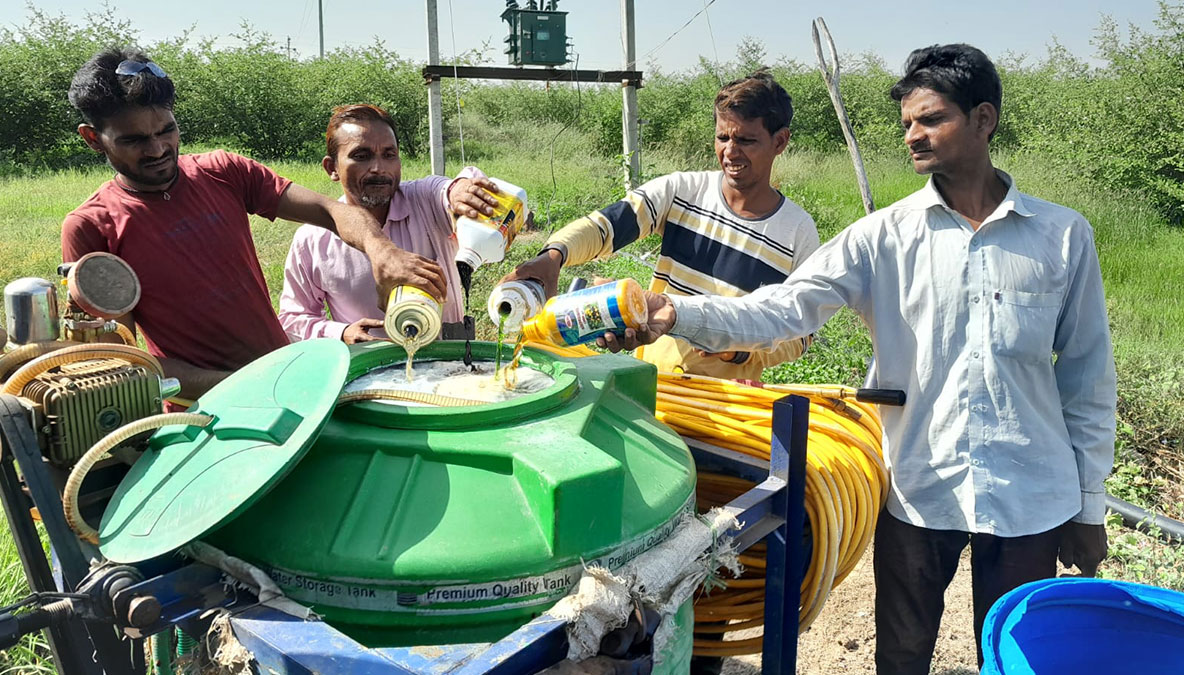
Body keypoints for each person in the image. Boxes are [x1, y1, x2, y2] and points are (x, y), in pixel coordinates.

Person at [597, 44, 1115, 674]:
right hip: (919, 485)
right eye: (907, 123)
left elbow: (1087, 378)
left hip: (1032, 493)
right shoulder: (883, 237)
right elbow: (783, 309)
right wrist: (674, 313)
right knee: (901, 654)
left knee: (1015, 658)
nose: (913, 135)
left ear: (984, 119)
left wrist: (1089, 506)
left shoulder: (1062, 236)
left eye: (931, 119)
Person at [60, 48, 447, 400]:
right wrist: (245, 384)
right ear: (93, 138)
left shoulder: (223, 172)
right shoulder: (91, 227)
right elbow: (122, 361)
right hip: (203, 407)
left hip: (285, 381)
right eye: (134, 140)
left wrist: (382, 252)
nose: (158, 149)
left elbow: (332, 211)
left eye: (166, 130)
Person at [503, 70, 819, 381]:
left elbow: (801, 333)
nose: (730, 152)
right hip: (653, 382)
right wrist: (555, 255)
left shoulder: (797, 232)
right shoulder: (682, 192)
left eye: (746, 140)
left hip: (726, 399)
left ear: (780, 141)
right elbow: (609, 226)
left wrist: (736, 350)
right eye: (722, 137)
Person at [277, 104, 501, 344]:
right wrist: (341, 333)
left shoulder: (425, 202)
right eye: (361, 156)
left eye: (389, 155)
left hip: (448, 358)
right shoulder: (313, 240)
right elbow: (293, 318)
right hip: (369, 364)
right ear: (332, 168)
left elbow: (447, 188)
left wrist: (461, 189)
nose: (378, 168)